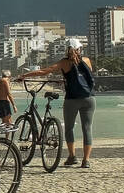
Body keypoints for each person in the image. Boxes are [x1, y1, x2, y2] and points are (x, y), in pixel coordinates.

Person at [20, 39, 95, 167]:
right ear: (79, 49)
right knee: (87, 129)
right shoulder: (87, 60)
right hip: (89, 98)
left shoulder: (64, 63)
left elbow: (44, 71)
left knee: (69, 129)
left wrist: (25, 75)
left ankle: (72, 157)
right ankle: (86, 161)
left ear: (67, 50)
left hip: (72, 99)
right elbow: (84, 77)